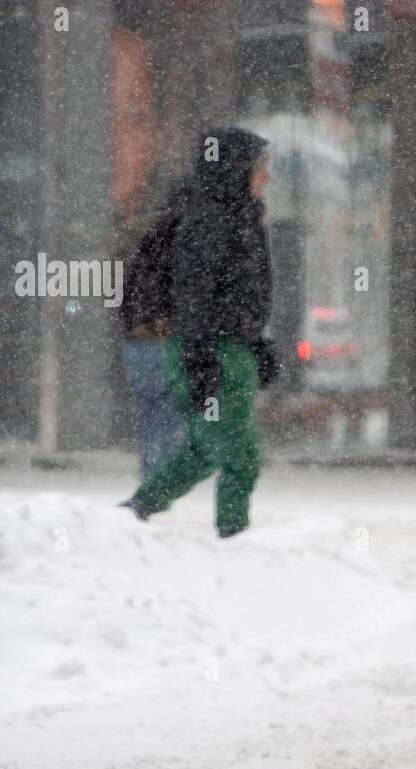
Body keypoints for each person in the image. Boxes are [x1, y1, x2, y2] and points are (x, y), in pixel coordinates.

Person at [122, 128, 280, 538]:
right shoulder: (209, 223)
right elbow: (194, 296)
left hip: (232, 351)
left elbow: (236, 295)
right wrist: (199, 358)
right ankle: (234, 537)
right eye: (260, 167)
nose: (267, 176)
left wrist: (255, 341)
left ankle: (136, 508)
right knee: (239, 457)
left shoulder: (241, 217)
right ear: (234, 170)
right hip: (214, 354)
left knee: (203, 450)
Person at [120, 179, 193, 480]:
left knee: (149, 413)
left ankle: (151, 473)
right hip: (168, 342)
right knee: (171, 412)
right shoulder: (187, 244)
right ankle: (162, 479)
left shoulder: (139, 240)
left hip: (136, 343)